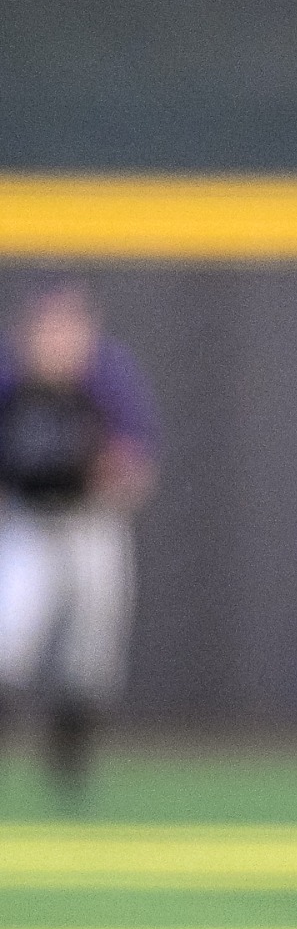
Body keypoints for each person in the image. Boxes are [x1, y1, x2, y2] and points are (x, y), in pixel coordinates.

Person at [0, 283, 158, 790]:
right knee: (8, 638)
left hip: (91, 523)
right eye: (48, 329)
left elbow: (137, 467)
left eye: (69, 330)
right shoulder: (11, 380)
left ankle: (70, 758)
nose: (58, 341)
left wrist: (111, 472)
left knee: (93, 649)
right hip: (29, 521)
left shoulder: (106, 380)